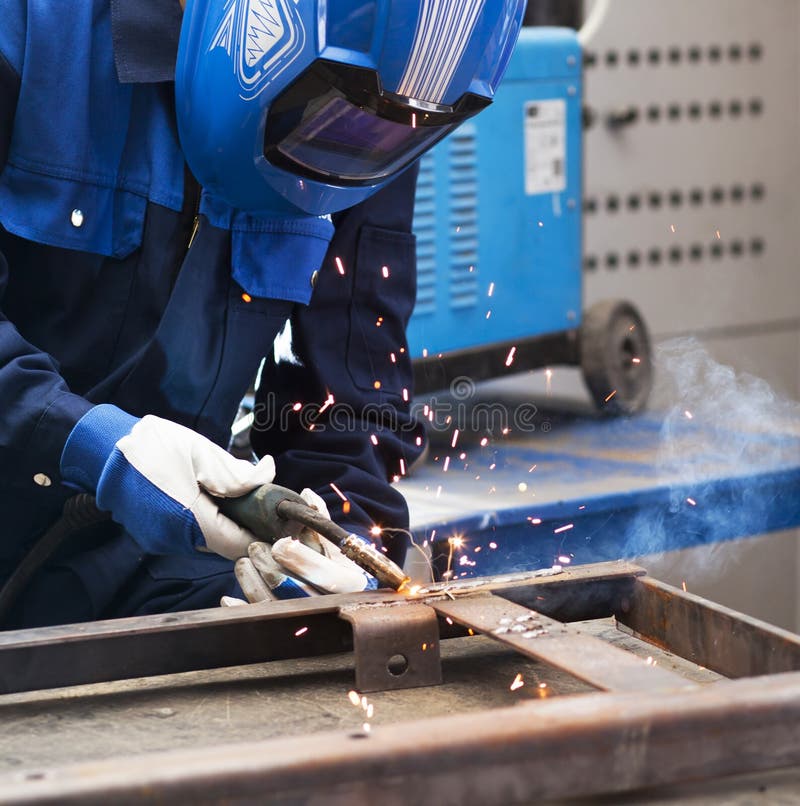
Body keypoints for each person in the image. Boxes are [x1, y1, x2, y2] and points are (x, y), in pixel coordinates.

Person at [0, 0, 525, 628]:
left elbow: (346, 399)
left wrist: (346, 553)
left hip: (154, 558)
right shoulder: (31, 24)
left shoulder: (383, 93)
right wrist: (89, 443)